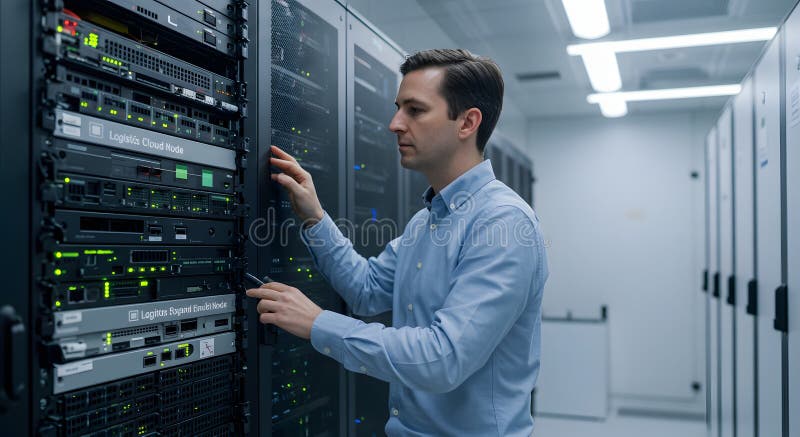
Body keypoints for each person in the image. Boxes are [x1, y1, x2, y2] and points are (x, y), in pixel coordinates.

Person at [246, 48, 548, 436]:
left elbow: (443, 358)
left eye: (415, 110)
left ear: (467, 122)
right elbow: (367, 290)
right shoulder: (428, 221)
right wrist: (314, 217)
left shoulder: (502, 223)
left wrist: (319, 323)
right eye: (397, 108)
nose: (394, 124)